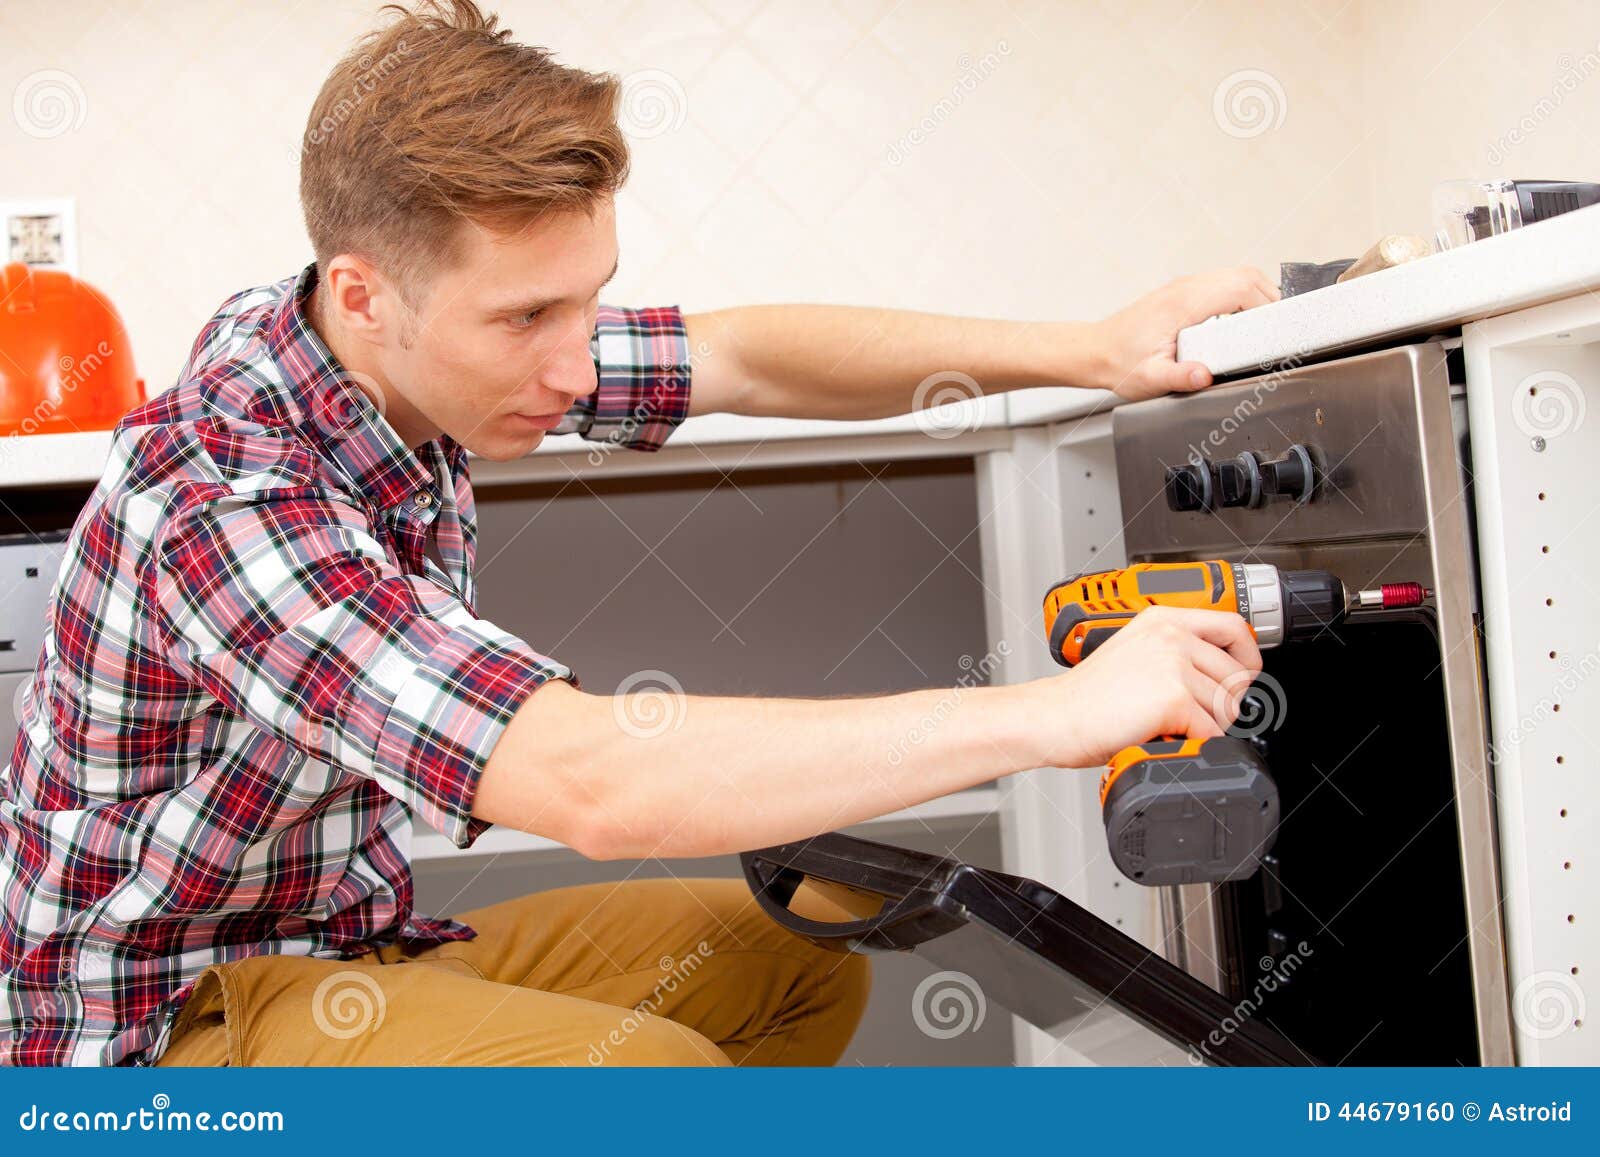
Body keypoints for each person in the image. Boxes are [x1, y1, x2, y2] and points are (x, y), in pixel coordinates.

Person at [0, 0, 1275, 1068]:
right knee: (657, 1081)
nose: (574, 362)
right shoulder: (226, 495)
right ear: (364, 293)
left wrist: (1087, 349)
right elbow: (593, 782)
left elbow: (736, 355)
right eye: (528, 318)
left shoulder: (387, 344)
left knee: (793, 957)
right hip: (156, 1033)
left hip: (335, 947)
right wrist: (1057, 712)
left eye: (589, 300)